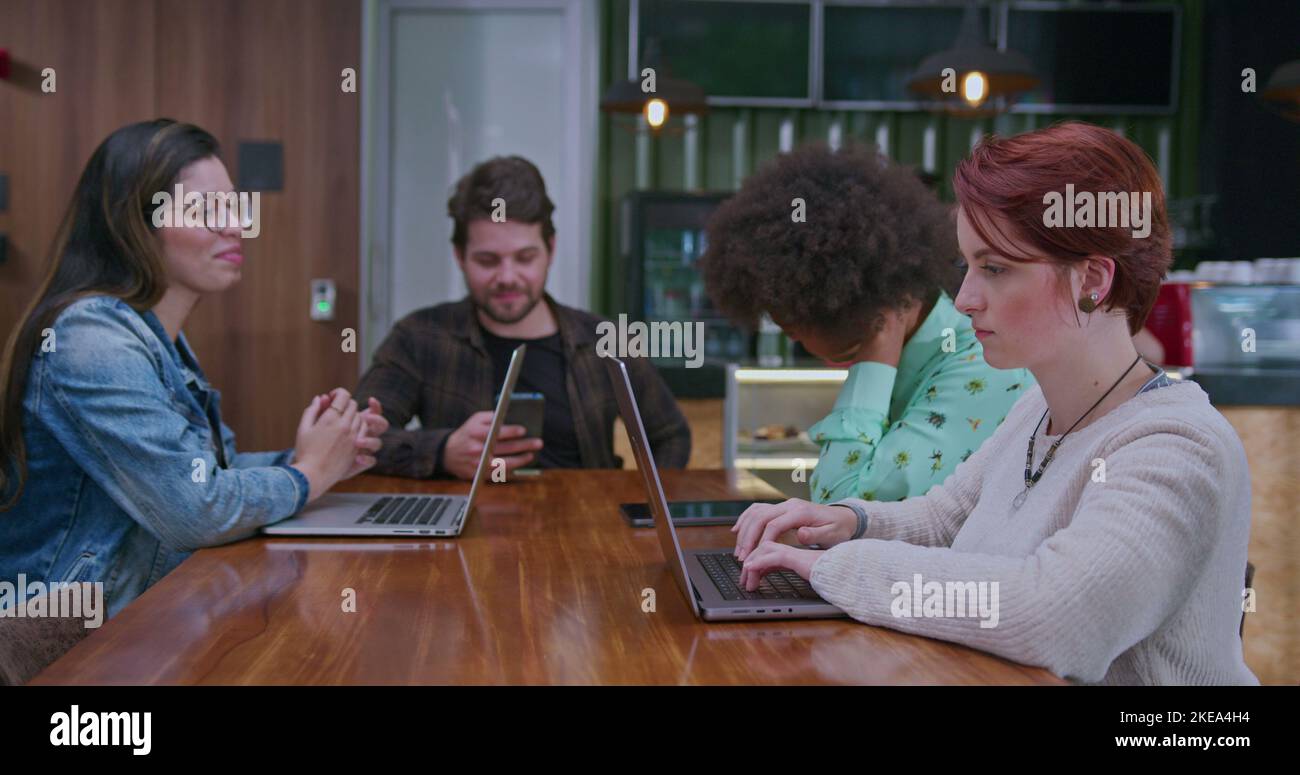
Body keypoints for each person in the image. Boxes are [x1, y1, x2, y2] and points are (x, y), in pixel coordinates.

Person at [730, 122, 1257, 685]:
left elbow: (1059, 616)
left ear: (1093, 280)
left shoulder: (1178, 446)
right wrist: (841, 522)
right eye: (967, 266)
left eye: (996, 269)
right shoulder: (1036, 410)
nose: (964, 299)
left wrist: (836, 568)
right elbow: (944, 521)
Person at [0, 119, 386, 619]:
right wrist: (306, 474)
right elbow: (199, 510)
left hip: (142, 612)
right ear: (134, 224)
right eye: (207, 210)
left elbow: (208, 473)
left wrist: (326, 453)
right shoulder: (90, 340)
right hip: (67, 637)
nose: (237, 226)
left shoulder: (154, 333)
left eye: (237, 207)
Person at [699, 142, 1032, 504]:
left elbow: (839, 505)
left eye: (789, 316)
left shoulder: (982, 366)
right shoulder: (914, 345)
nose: (782, 325)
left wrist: (873, 361)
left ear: (838, 300)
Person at [355, 155, 689, 479]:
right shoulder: (419, 337)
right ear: (460, 256)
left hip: (585, 529)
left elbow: (671, 435)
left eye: (525, 258)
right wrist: (441, 452)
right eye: (488, 260)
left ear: (550, 250)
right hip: (462, 530)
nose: (507, 277)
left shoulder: (608, 340)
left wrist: (640, 511)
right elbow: (358, 436)